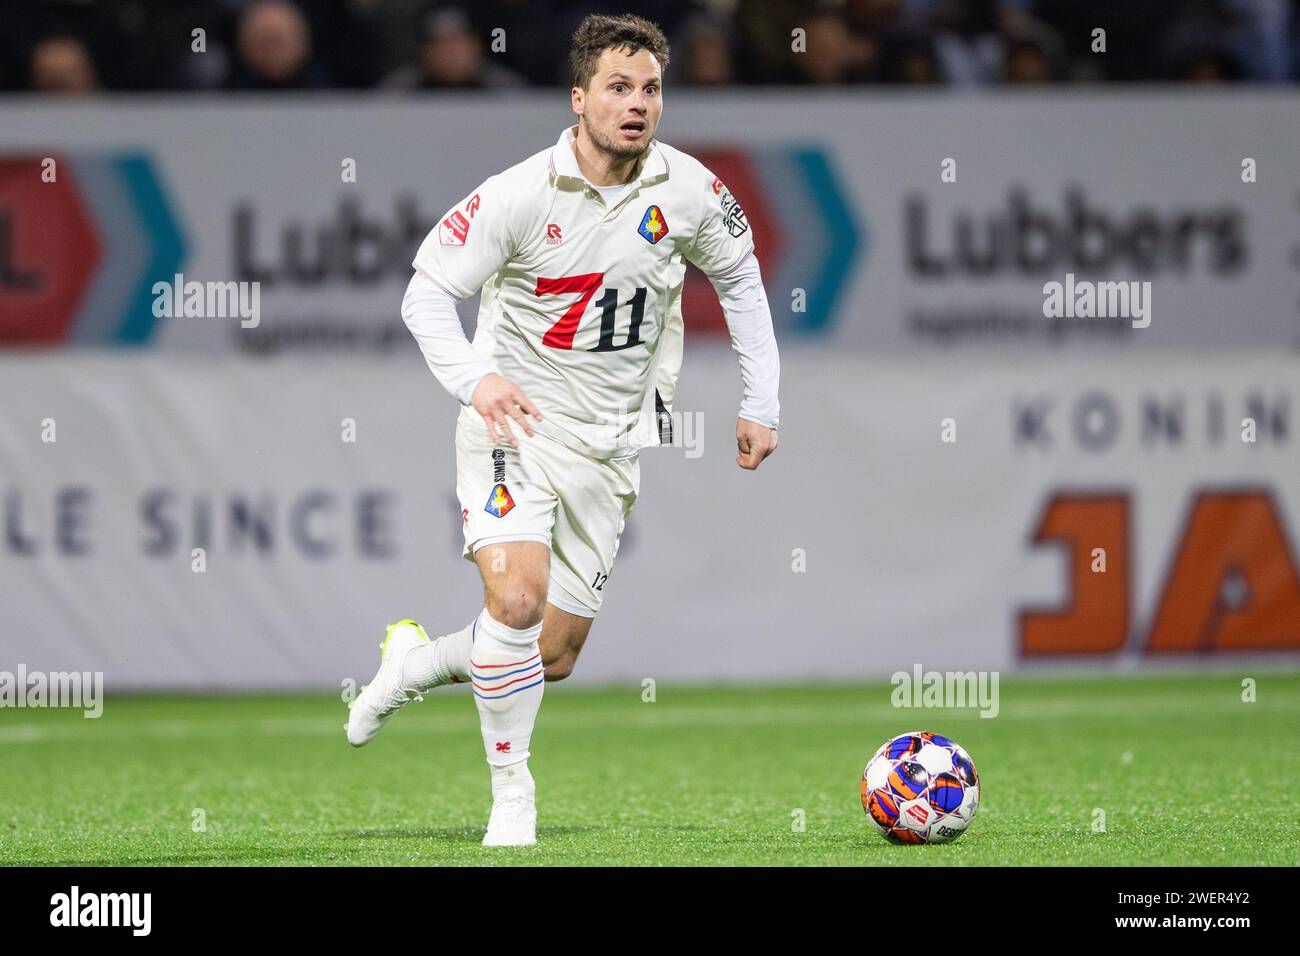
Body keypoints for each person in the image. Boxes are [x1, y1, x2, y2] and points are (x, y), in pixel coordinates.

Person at [346, 12, 780, 847]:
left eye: (651, 88)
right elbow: (426, 292)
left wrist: (762, 402)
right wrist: (478, 381)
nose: (638, 104)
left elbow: (742, 279)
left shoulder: (688, 189)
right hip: (517, 427)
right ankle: (513, 799)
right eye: (619, 87)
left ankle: (413, 664)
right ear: (579, 97)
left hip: (611, 444)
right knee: (514, 601)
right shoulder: (519, 193)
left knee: (549, 654)